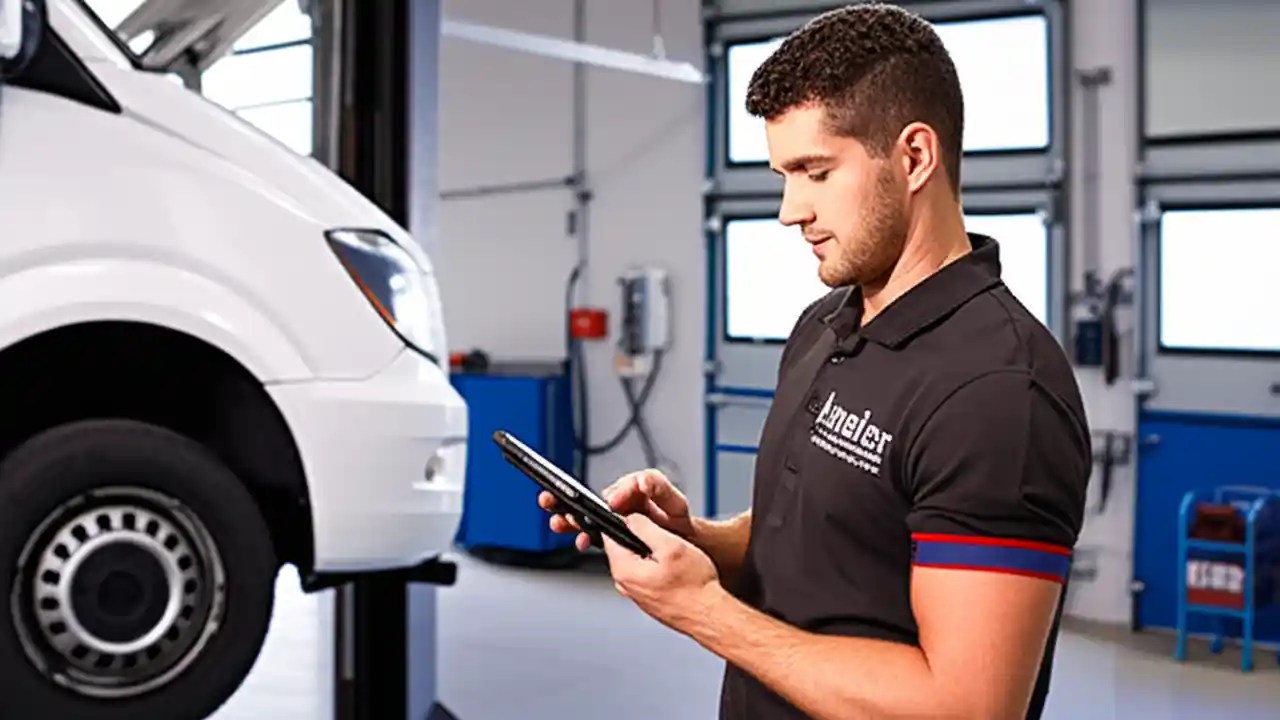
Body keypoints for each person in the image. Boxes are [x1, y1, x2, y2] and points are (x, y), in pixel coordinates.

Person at [539, 3, 1092, 719]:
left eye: (815, 171)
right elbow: (823, 539)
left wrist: (703, 611)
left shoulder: (999, 392)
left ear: (915, 157)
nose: (788, 210)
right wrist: (694, 539)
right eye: (782, 174)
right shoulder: (825, 326)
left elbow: (966, 707)